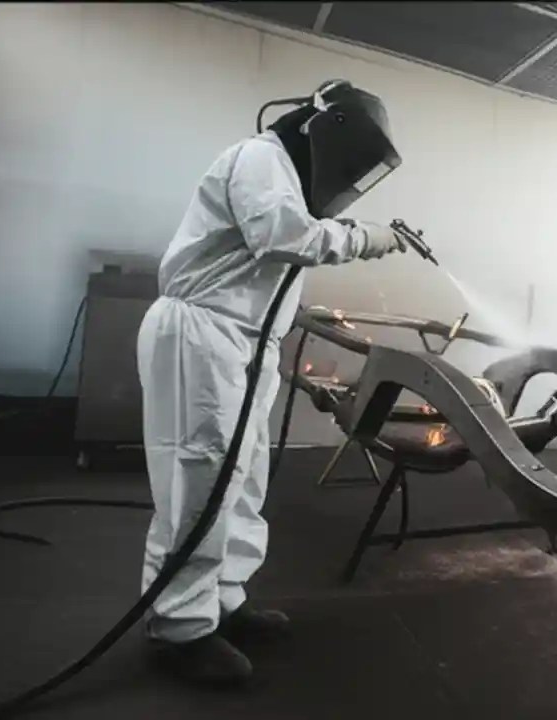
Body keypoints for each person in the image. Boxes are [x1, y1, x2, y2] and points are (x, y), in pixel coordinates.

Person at [136, 80, 405, 686]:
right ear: (326, 131)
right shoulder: (261, 157)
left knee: (244, 475)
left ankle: (224, 599)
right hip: (204, 335)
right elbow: (281, 238)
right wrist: (370, 237)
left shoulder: (283, 175)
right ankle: (182, 628)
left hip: (246, 345)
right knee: (201, 477)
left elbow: (264, 260)